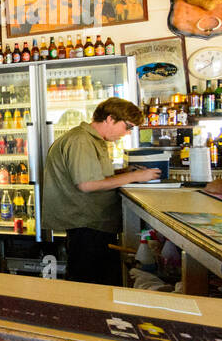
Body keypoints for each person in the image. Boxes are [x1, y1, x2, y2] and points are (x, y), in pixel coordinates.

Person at [42, 98, 160, 284]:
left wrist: (124, 172)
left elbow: (96, 176)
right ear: (110, 119)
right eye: (127, 126)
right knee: (88, 283)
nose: (127, 133)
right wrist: (135, 177)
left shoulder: (94, 140)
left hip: (94, 223)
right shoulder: (81, 140)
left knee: (101, 280)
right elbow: (87, 184)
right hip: (87, 226)